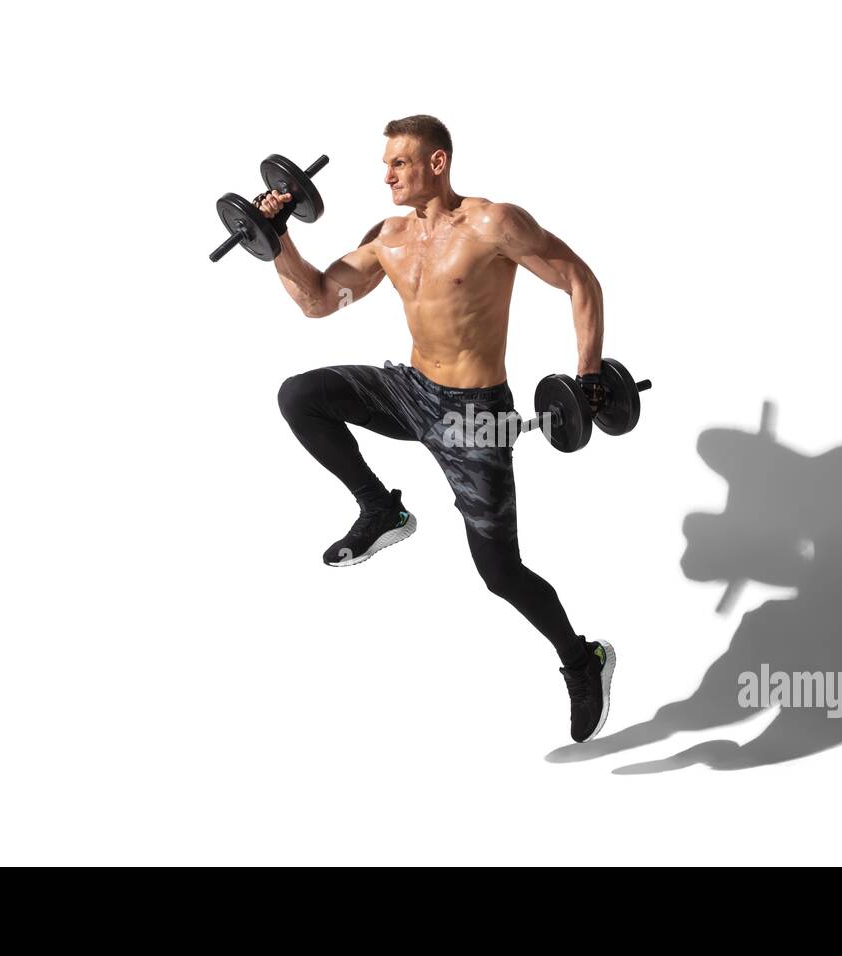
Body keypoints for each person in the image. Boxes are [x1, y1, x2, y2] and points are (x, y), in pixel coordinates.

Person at [262, 115, 614, 742]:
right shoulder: (388, 239)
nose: (388, 173)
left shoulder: (493, 223)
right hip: (412, 390)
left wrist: (588, 377)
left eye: (399, 162)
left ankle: (581, 658)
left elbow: (578, 279)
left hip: (475, 416)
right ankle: (381, 511)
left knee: (500, 573)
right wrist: (276, 238)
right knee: (301, 396)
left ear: (438, 163)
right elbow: (318, 300)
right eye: (386, 163)